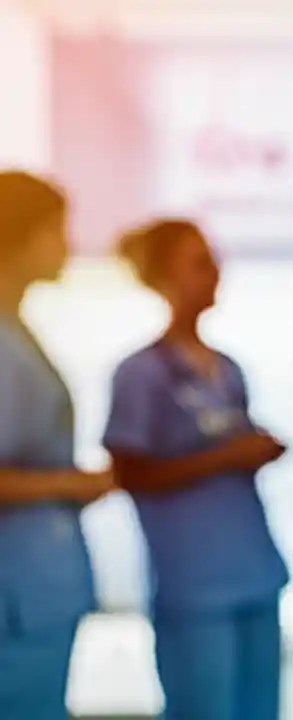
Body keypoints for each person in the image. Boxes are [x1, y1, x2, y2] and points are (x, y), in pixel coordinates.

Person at [104, 220, 289, 720]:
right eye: (200, 262)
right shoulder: (140, 374)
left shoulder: (227, 370)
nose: (215, 273)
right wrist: (226, 457)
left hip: (254, 572)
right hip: (194, 582)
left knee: (260, 710)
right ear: (164, 275)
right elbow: (130, 473)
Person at [0, 172, 115, 719]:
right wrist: (72, 482)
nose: (68, 245)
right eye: (57, 230)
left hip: (34, 587)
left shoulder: (16, 329)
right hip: (16, 593)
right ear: (20, 236)